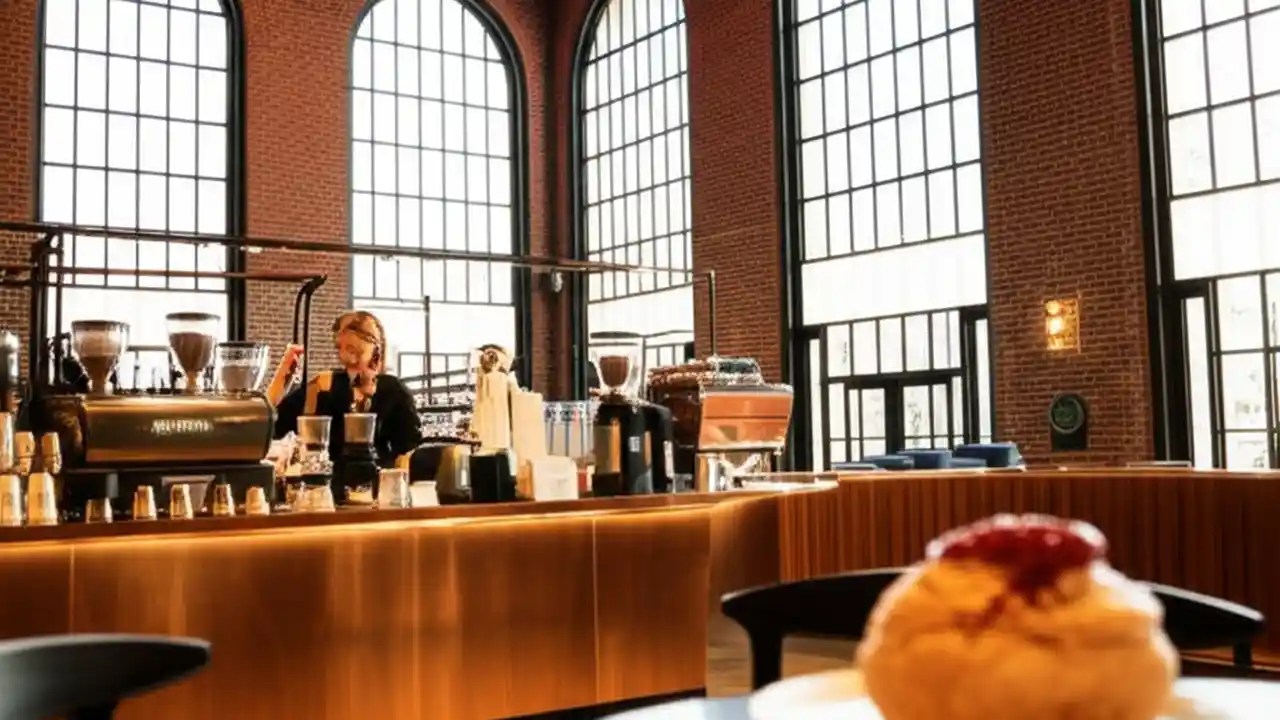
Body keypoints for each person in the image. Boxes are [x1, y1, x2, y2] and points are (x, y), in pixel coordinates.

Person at [266, 310, 422, 467]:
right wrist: (282, 377)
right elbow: (267, 428)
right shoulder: (322, 388)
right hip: (322, 479)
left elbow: (409, 452)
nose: (346, 357)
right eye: (341, 348)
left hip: (377, 479)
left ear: (376, 350)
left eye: (354, 350)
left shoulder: (394, 392)